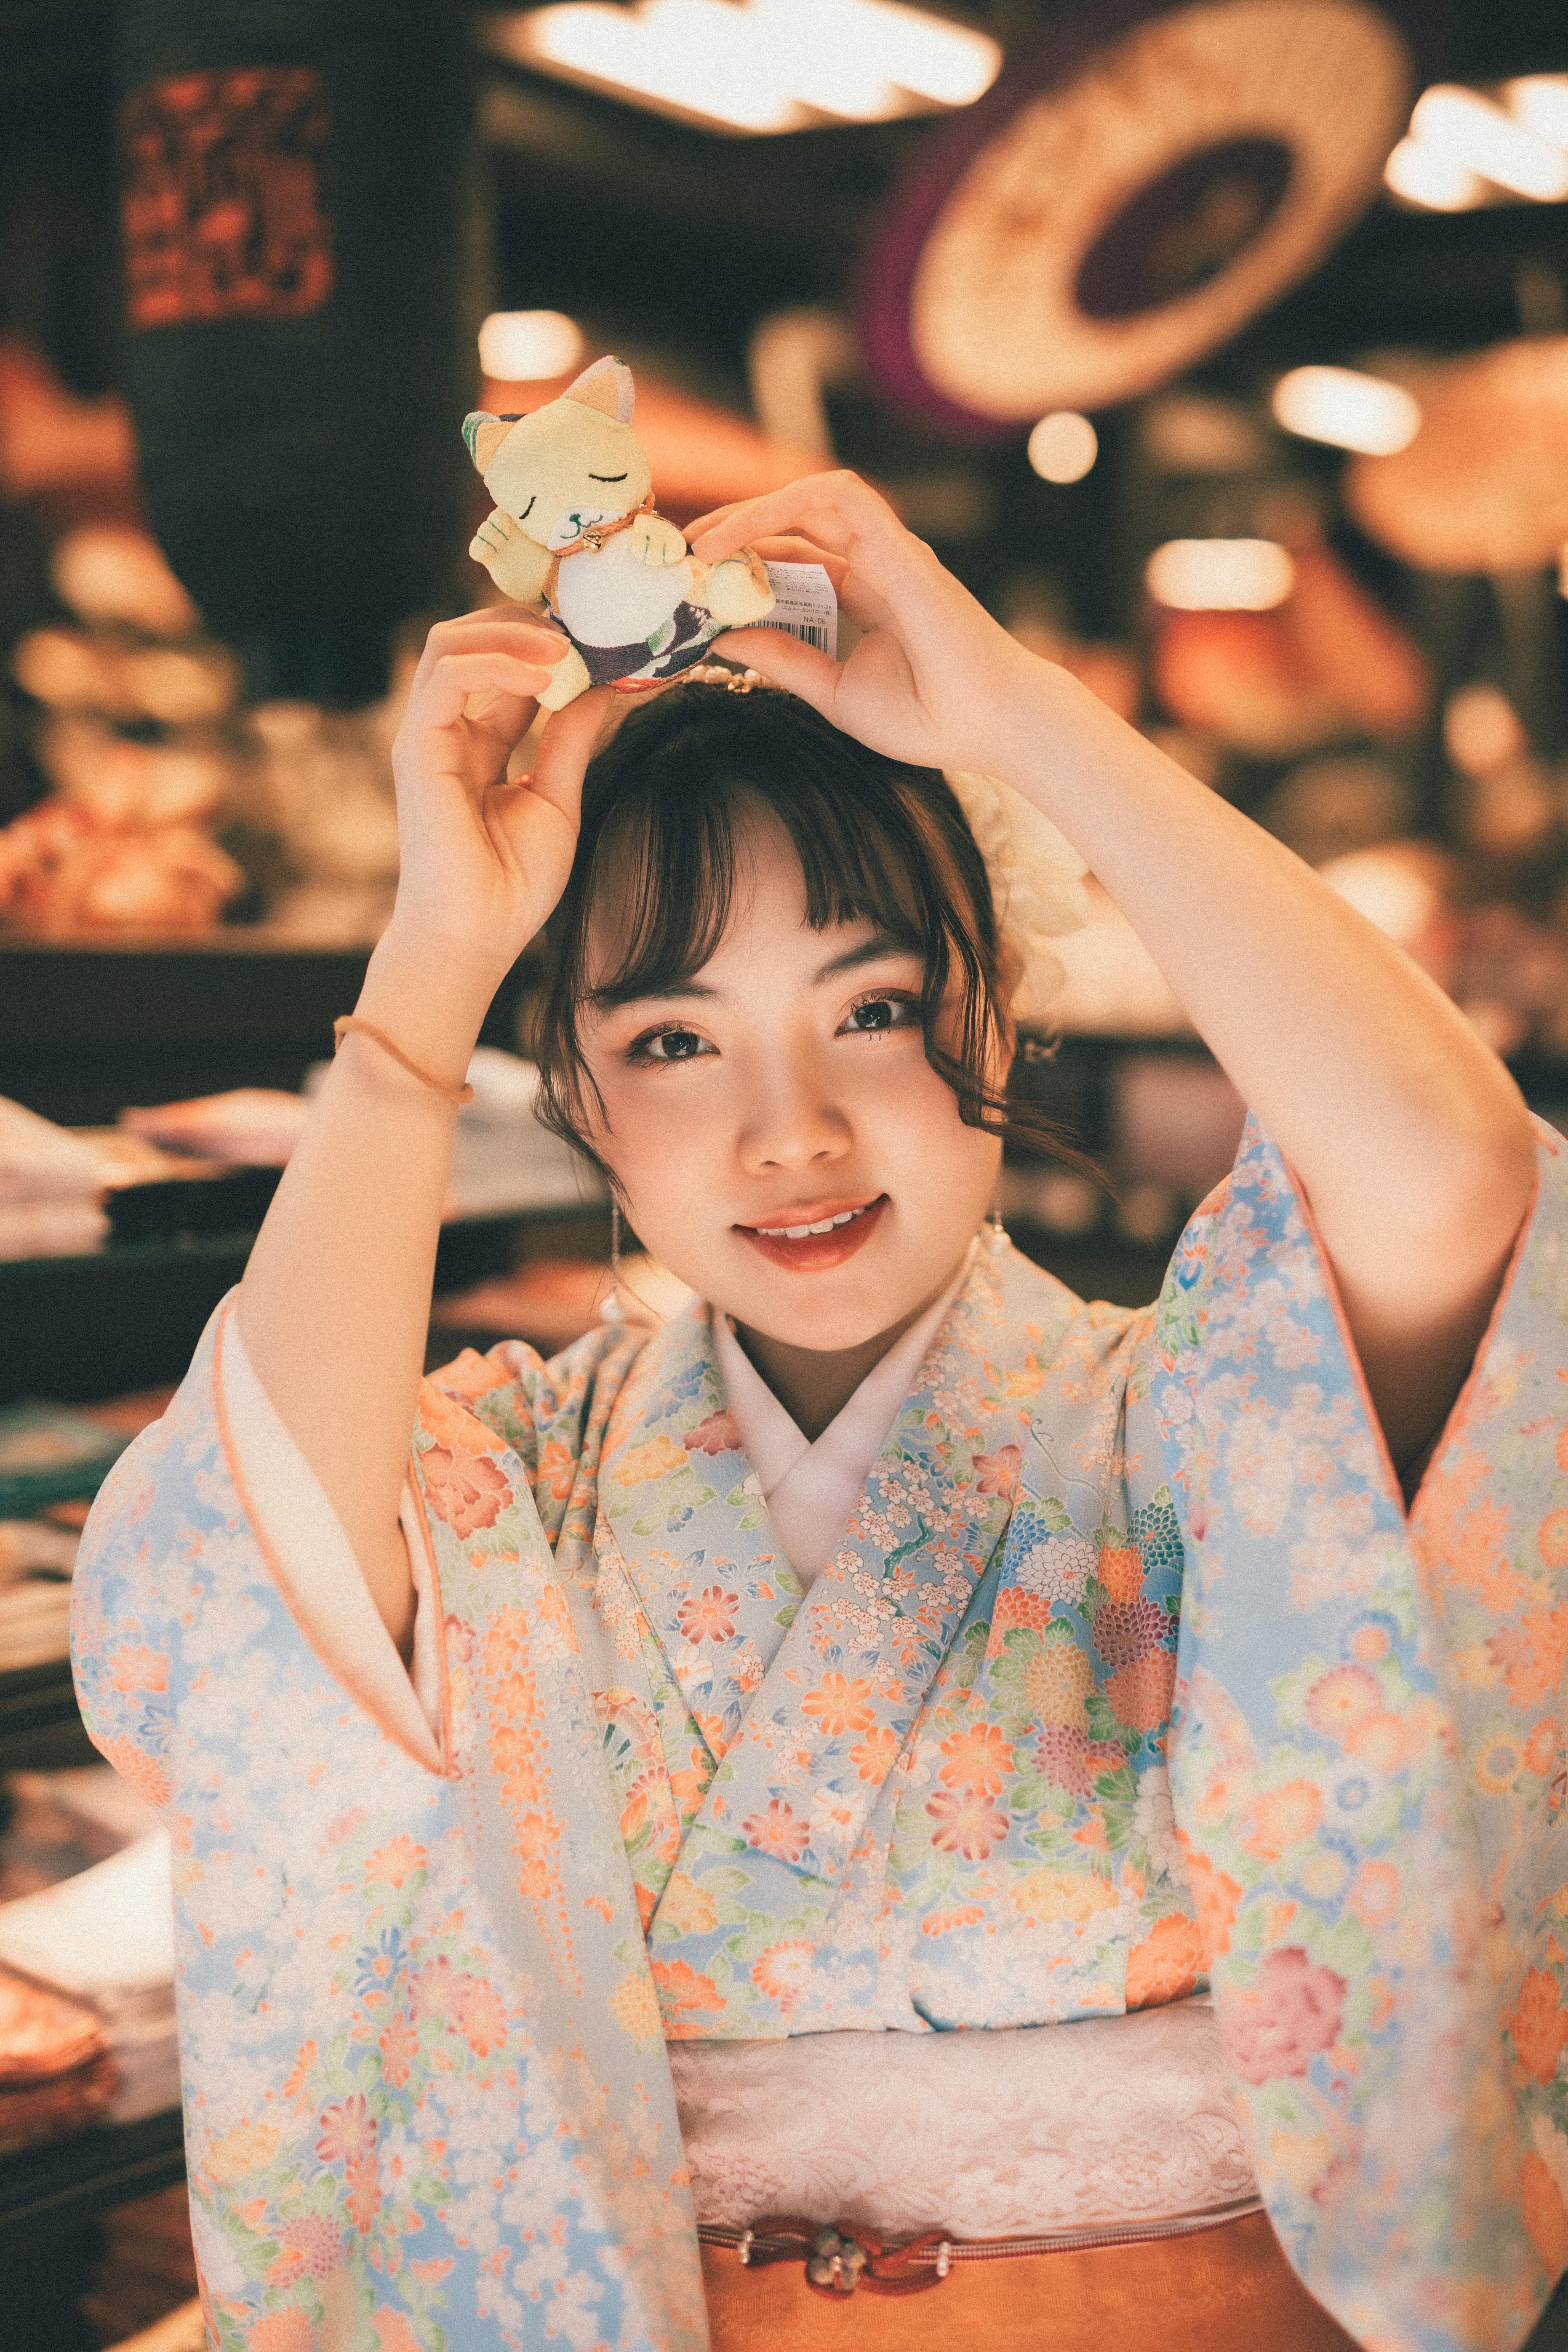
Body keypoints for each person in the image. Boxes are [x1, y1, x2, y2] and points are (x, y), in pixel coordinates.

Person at [71, 474, 1567, 2352]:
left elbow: (1449, 1170)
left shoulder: (1192, 1422)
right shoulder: (513, 1476)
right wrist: (436, 962)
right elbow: (237, 1587)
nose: (794, 1131)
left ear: (1002, 1019)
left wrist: (1020, 715)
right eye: (675, 1043)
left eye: (875, 1010)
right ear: (586, 1112)